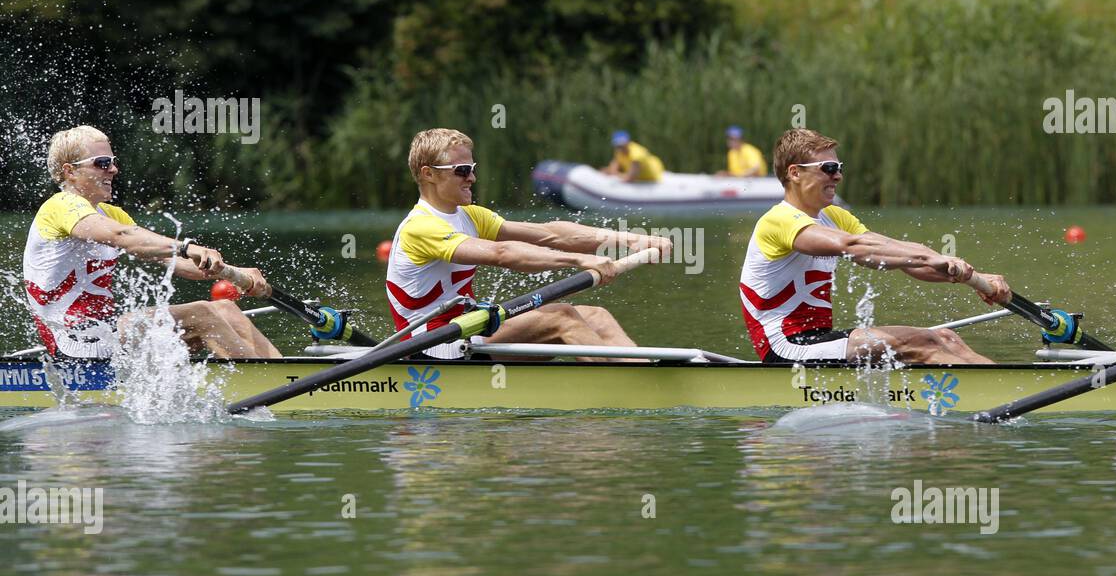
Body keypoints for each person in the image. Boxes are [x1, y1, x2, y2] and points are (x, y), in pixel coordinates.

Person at [387, 128, 671, 359]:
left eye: (472, 168)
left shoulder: (470, 216)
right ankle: (625, 391)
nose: (472, 177)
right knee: (561, 316)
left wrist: (633, 239)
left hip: (468, 330)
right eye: (461, 170)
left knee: (596, 315)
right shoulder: (420, 227)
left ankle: (644, 375)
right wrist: (579, 260)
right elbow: (502, 253)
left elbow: (552, 234)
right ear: (428, 174)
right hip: (430, 346)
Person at [739, 128, 1010, 365]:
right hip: (786, 346)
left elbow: (891, 249)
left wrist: (974, 278)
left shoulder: (834, 216)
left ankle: (1004, 388)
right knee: (924, 342)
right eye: (828, 168)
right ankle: (998, 395)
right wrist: (933, 259)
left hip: (818, 340)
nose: (838, 177)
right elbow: (854, 246)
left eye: (839, 168)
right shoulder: (778, 221)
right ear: (795, 173)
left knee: (946, 338)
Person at [23, 125, 280, 360]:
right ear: (70, 171)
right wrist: (188, 246)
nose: (113, 169)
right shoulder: (60, 206)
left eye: (113, 162)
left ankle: (281, 372)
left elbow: (180, 264)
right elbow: (123, 238)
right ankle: (264, 384)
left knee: (224, 308)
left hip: (104, 332)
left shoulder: (111, 214)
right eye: (102, 163)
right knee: (202, 314)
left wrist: (236, 274)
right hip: (72, 343)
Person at [600, 129, 664, 183]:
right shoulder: (619, 152)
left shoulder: (636, 154)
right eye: (618, 146)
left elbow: (630, 178)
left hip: (655, 172)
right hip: (642, 173)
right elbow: (613, 167)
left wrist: (615, 174)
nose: (620, 148)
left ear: (628, 142)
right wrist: (609, 171)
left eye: (622, 145)